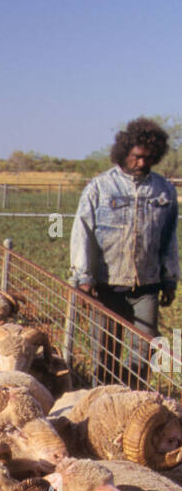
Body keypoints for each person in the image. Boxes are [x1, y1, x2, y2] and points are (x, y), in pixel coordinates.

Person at [70, 117, 178, 383]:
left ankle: (132, 399)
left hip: (147, 286)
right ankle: (101, 402)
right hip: (107, 285)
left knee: (144, 350)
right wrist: (84, 277)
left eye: (149, 158)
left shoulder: (164, 190)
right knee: (105, 354)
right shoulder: (100, 187)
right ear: (124, 152)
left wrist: (170, 278)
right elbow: (81, 233)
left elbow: (169, 238)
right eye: (136, 157)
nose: (142, 163)